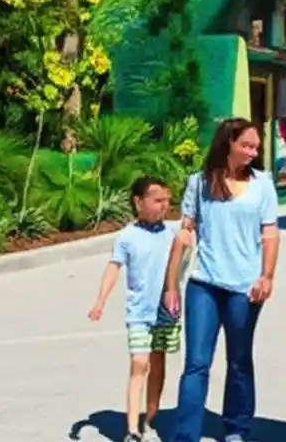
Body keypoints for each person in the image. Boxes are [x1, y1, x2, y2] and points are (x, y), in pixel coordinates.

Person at [162, 117, 281, 442]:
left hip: (245, 288)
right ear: (228, 143)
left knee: (239, 360)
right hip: (204, 284)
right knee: (196, 364)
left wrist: (266, 276)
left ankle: (236, 429)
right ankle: (186, 434)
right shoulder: (200, 183)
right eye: (247, 145)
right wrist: (171, 282)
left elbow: (270, 235)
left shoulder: (263, 184)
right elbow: (186, 233)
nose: (253, 152)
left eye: (256, 147)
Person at [88, 176, 182, 442]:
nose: (164, 206)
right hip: (139, 312)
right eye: (157, 200)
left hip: (166, 312)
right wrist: (100, 301)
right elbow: (114, 267)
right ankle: (131, 429)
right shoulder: (127, 236)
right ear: (138, 202)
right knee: (139, 363)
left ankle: (150, 419)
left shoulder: (172, 234)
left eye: (167, 200)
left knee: (158, 363)